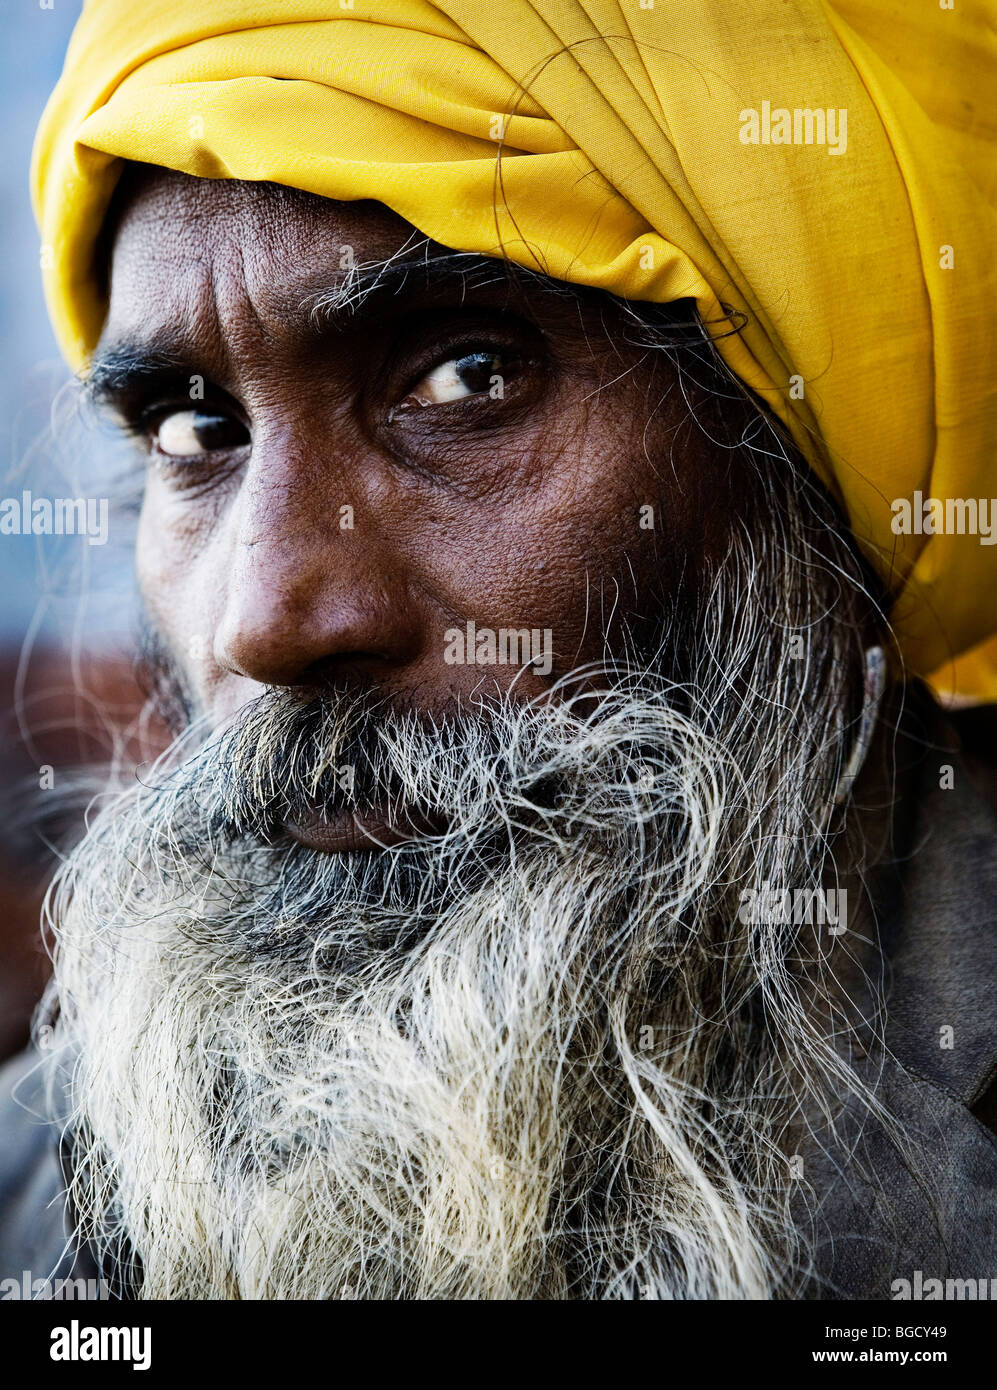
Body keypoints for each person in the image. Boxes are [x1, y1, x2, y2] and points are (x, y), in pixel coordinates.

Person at [1, 0, 994, 1300]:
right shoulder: (36, 1196)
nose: (268, 620)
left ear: (806, 463)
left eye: (467, 377)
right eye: (195, 431)